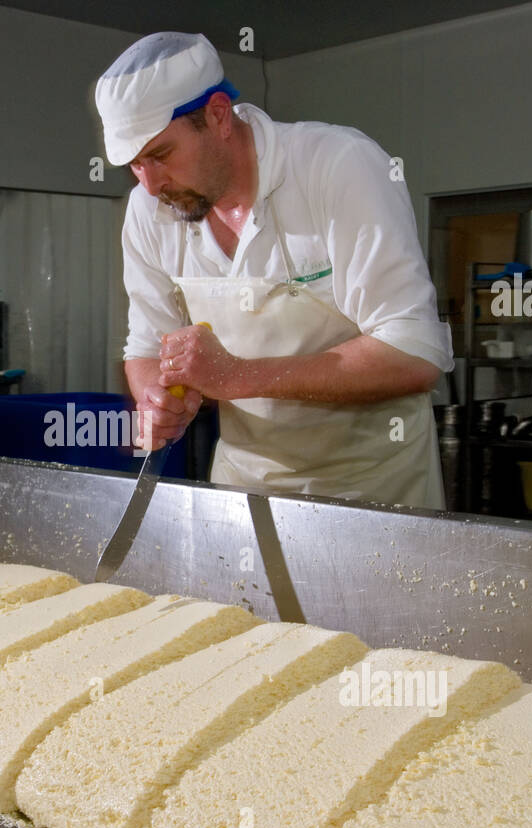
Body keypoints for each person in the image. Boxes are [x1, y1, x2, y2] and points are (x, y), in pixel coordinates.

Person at [96, 32, 453, 509]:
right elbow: (144, 348)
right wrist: (155, 401)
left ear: (219, 114)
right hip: (245, 488)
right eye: (134, 165)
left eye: (160, 155)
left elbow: (413, 352)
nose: (151, 183)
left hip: (374, 489)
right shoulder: (149, 210)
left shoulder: (337, 166)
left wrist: (235, 377)